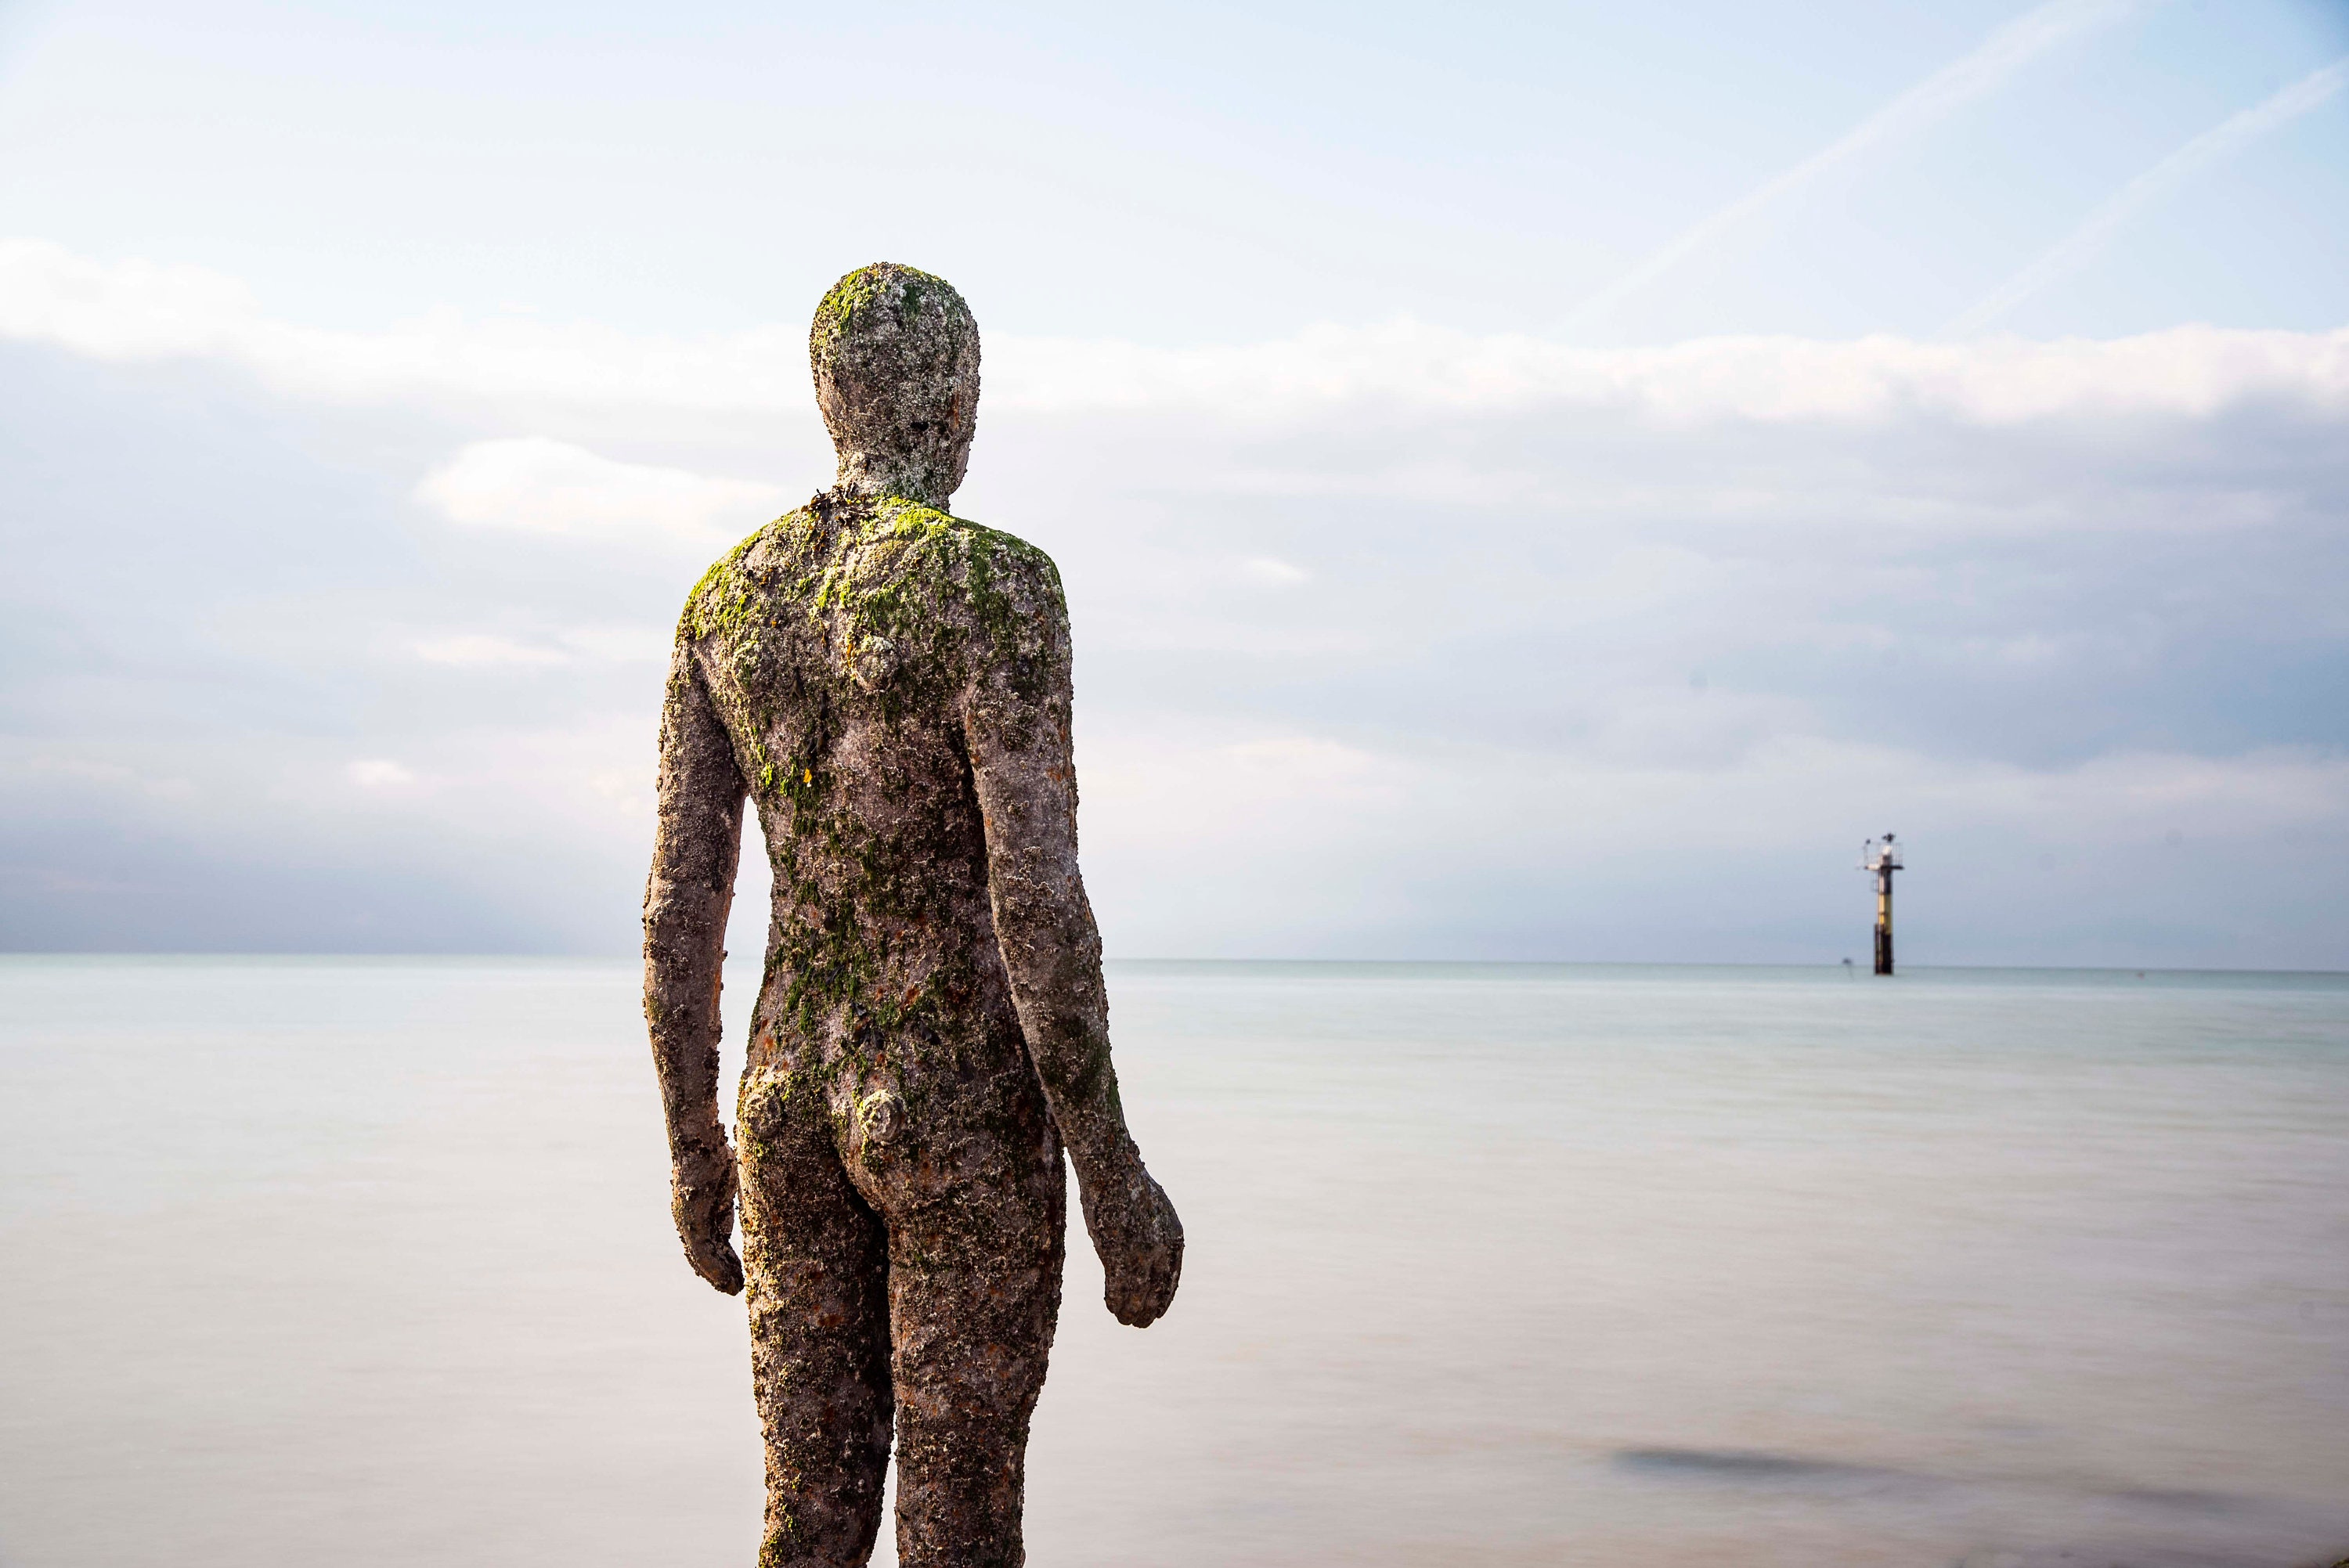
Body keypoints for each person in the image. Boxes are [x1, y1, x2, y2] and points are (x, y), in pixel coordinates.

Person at [642, 261, 1183, 1568]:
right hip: (951, 1099)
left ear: (827, 397)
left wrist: (693, 1148)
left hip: (786, 1098)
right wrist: (1112, 1172)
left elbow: (679, 918)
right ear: (961, 403)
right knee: (959, 1520)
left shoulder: (728, 602)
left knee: (808, 1519)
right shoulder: (995, 589)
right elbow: (1039, 910)